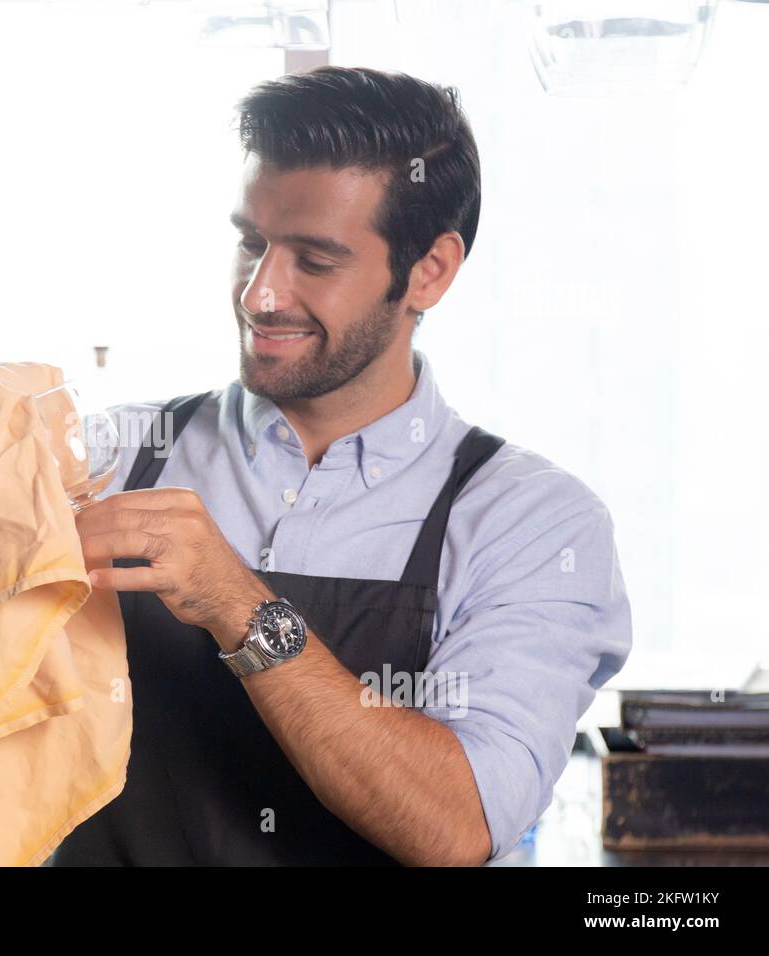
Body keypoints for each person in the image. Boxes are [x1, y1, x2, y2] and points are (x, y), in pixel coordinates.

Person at [49, 66, 631, 866]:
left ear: (430, 270)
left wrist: (237, 603)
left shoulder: (532, 523)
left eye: (314, 261)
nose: (260, 295)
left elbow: (455, 824)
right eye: (251, 243)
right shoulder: (103, 459)